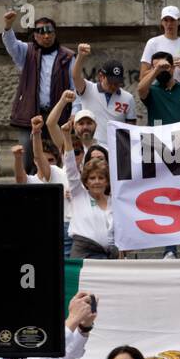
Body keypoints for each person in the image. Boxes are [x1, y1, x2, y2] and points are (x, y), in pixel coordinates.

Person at [44, 94, 115, 260]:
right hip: (73, 220)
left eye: (89, 123)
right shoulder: (70, 145)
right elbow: (51, 124)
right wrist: (62, 101)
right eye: (81, 123)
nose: (85, 127)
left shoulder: (106, 148)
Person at [2, 10, 74, 169]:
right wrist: (8, 26)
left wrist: (75, 111)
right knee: (28, 156)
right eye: (41, 32)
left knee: (59, 155)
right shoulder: (26, 52)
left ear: (55, 34)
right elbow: (11, 44)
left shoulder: (67, 56)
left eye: (50, 32)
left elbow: (74, 87)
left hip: (57, 116)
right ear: (35, 35)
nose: (46, 36)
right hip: (30, 114)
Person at [71, 46, 135, 125]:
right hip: (91, 137)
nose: (113, 86)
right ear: (101, 76)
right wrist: (80, 56)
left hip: (116, 137)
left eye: (117, 83)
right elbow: (75, 77)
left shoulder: (128, 98)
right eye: (110, 82)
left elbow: (131, 128)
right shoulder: (88, 89)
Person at [141, 5, 180, 84]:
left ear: (179, 21)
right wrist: (159, 67)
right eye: (166, 20)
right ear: (162, 22)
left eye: (172, 20)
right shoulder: (152, 43)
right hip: (158, 92)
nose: (169, 23)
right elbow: (142, 76)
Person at [135, 51, 180, 127]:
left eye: (165, 67)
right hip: (159, 137)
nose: (161, 71)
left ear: (173, 67)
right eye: (157, 68)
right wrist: (157, 69)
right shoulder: (152, 90)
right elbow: (140, 89)